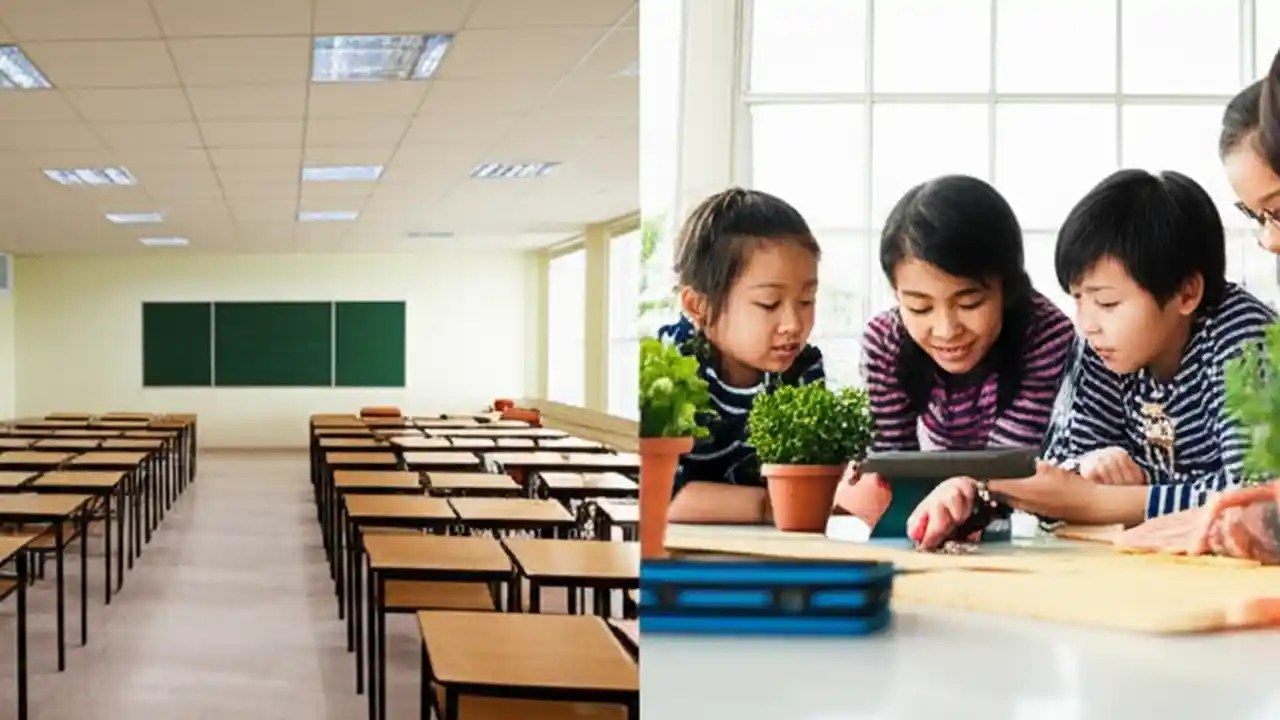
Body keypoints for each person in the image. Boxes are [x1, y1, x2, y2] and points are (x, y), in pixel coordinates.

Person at [912, 168, 1278, 549]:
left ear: (1186, 293)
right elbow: (1058, 471)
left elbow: (1259, 500)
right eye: (1078, 299)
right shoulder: (1103, 347)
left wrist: (1101, 501)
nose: (1087, 323)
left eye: (1107, 302)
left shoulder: (1247, 344)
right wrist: (1082, 466)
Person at [835, 175, 1075, 549]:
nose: (946, 330)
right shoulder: (885, 341)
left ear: (1007, 287)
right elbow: (894, 465)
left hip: (1022, 519)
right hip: (925, 518)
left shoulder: (1046, 334)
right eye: (919, 306)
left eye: (969, 304)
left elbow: (1006, 468)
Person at [1118, 48, 1280, 564]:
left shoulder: (1243, 333)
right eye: (1258, 217)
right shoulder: (1103, 353)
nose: (1269, 240)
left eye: (1276, 211)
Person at [657, 187, 826, 524]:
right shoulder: (668, 370)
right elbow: (661, 496)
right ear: (698, 306)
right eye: (769, 304)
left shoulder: (802, 367)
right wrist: (771, 506)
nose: (793, 324)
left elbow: (812, 473)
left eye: (807, 301)